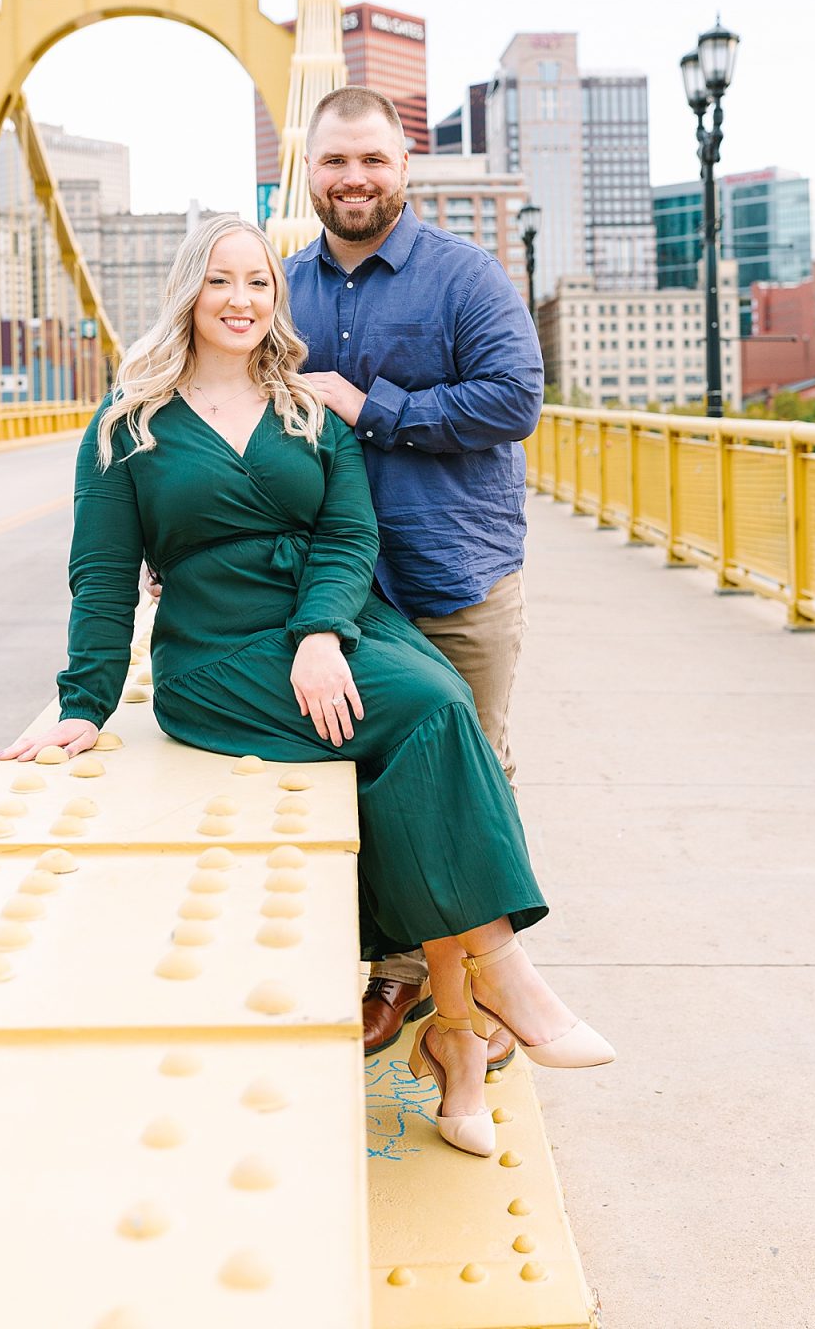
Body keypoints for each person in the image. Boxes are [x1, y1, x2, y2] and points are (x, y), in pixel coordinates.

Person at [0, 214, 613, 1158]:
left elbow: (348, 535)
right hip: (217, 657)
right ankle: (496, 978)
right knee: (428, 712)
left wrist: (324, 628)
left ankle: (458, 1037)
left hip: (336, 627)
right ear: (188, 295)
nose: (241, 300)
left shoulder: (306, 410)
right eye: (220, 282)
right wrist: (83, 706)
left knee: (434, 721)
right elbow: (102, 575)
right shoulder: (126, 426)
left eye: (258, 283)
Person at [284, 85, 544, 1062]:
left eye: (374, 161)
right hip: (337, 589)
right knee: (358, 780)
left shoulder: (465, 277)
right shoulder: (279, 288)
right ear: (309, 172)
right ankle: (393, 970)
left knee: (474, 771)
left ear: (405, 170)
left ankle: (466, 988)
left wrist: (369, 403)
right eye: (335, 162)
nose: (355, 179)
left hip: (454, 572)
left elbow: (515, 399)